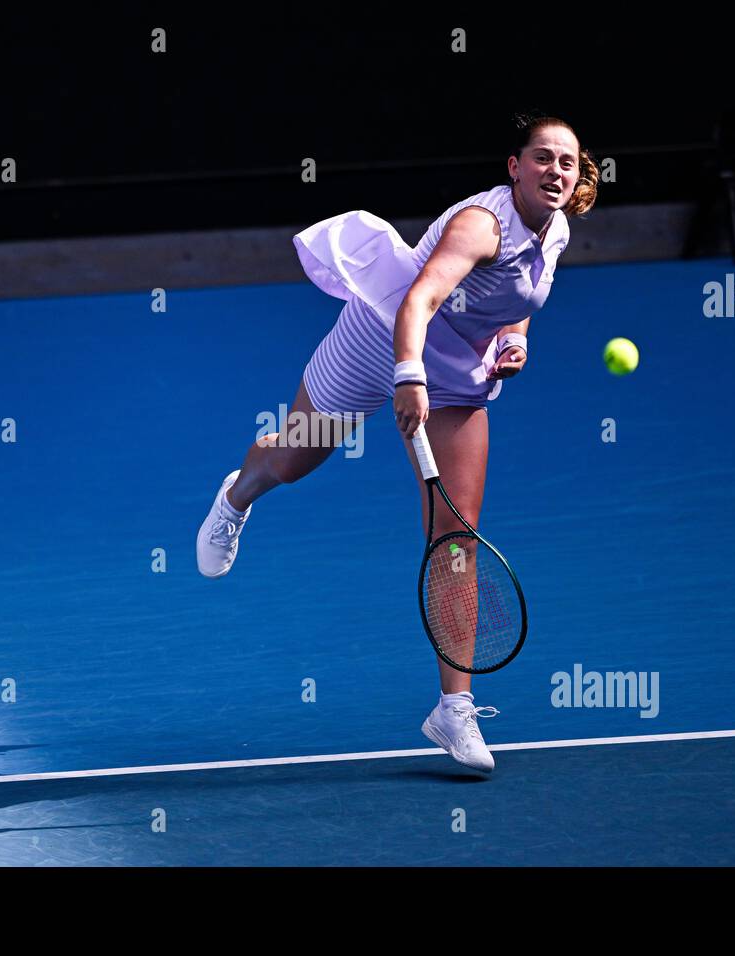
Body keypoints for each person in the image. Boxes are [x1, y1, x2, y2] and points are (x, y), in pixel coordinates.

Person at [197, 112, 598, 772]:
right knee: (296, 457)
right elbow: (419, 299)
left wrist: (512, 340)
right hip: (379, 336)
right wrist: (407, 376)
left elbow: (518, 296)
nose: (555, 171)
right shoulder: (481, 225)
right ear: (514, 167)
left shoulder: (555, 230)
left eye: (567, 162)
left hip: (455, 373)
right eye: (542, 158)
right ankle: (238, 493)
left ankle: (453, 709)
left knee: (456, 534)